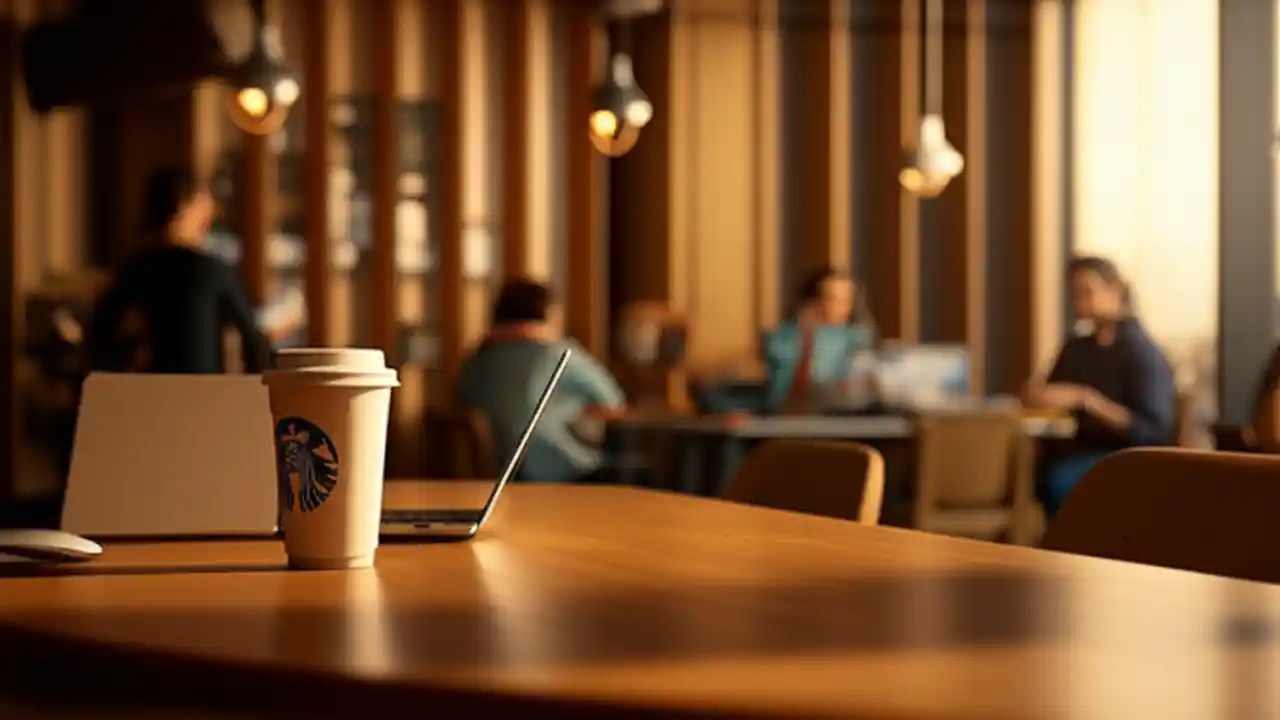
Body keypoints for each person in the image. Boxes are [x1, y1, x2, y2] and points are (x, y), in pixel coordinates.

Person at [1023, 256, 1175, 518]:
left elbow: (1153, 431)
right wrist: (1040, 395)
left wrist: (1088, 400)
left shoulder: (1142, 353)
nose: (1080, 302)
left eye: (1088, 292)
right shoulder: (1077, 348)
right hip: (1069, 449)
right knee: (1021, 472)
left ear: (1116, 290)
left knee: (1060, 480)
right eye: (1075, 294)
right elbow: (1047, 391)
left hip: (1122, 458)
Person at [88, 167, 269, 374]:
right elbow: (255, 343)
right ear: (183, 208)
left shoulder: (136, 269)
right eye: (203, 214)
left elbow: (99, 337)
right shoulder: (211, 270)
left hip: (147, 390)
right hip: (205, 390)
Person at [457, 279, 625, 482]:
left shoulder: (477, 359)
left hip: (489, 474)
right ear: (548, 313)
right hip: (551, 466)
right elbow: (612, 402)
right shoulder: (557, 353)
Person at [762, 267, 875, 413]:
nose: (844, 308)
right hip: (783, 417)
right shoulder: (781, 339)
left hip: (837, 416)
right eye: (834, 300)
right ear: (812, 301)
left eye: (848, 300)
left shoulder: (857, 339)